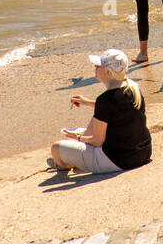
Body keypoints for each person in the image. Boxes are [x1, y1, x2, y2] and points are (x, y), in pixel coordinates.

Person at [49, 48, 152, 176]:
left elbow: (97, 141)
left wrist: (78, 137)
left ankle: (66, 165)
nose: (95, 67)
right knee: (95, 119)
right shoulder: (132, 87)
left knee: (56, 148)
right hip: (142, 152)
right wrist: (87, 102)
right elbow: (115, 108)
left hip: (119, 160)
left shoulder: (105, 100)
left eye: (98, 65)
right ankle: (77, 157)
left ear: (108, 72)